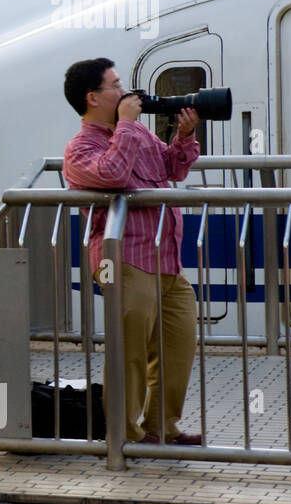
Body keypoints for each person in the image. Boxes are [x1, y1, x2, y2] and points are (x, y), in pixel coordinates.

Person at [62, 58, 202, 445]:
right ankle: (121, 437)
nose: (126, 92)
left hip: (166, 258)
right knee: (130, 353)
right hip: (121, 259)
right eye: (116, 85)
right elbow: (113, 175)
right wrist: (125, 124)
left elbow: (172, 169)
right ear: (93, 97)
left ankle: (162, 428)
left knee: (178, 346)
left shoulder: (137, 134)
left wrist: (183, 137)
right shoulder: (80, 149)